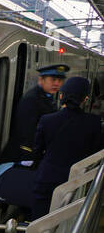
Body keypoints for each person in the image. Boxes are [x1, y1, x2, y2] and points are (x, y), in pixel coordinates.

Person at [29, 75, 104, 220]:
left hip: (46, 179)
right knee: (66, 222)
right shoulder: (94, 123)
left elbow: (37, 151)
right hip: (76, 182)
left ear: (62, 95)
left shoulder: (47, 120)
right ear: (85, 99)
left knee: (39, 221)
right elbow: (96, 153)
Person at [3, 63, 67, 162]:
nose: (57, 84)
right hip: (24, 155)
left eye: (60, 80)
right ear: (41, 80)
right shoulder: (32, 99)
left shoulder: (47, 97)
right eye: (53, 80)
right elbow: (26, 132)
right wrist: (30, 156)